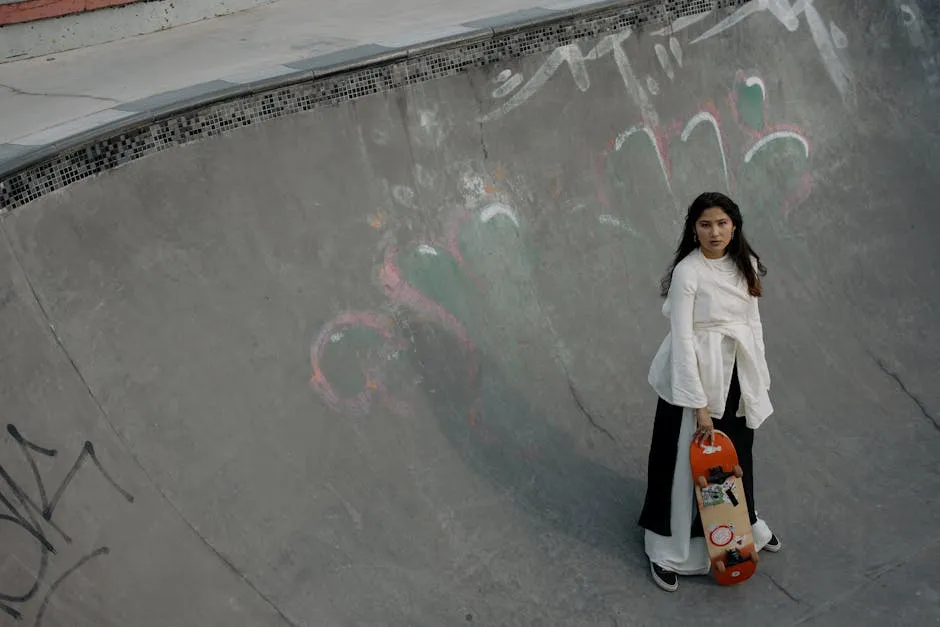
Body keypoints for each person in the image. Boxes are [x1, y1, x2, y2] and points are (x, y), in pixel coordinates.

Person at [638, 191, 782, 592]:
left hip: (735, 373)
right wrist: (698, 405)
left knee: (734, 459)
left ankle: (743, 524)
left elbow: (753, 326)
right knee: (687, 464)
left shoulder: (746, 264)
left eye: (721, 223)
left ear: (734, 225)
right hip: (695, 379)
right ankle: (668, 550)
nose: (714, 232)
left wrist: (758, 381)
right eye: (705, 224)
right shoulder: (688, 272)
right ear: (694, 229)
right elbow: (682, 339)